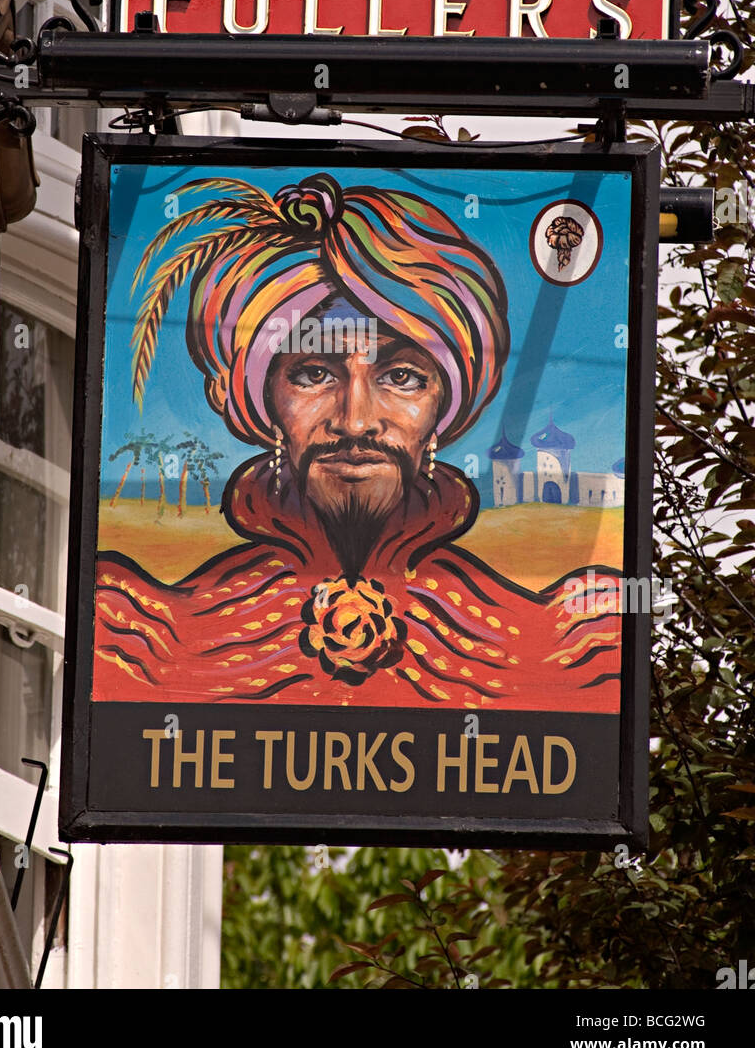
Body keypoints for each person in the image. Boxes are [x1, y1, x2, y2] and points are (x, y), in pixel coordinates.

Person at [94, 173, 621, 710]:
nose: (356, 421)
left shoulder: (557, 644)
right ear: (263, 397)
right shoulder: (148, 636)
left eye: (402, 377)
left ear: (447, 404)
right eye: (314, 373)